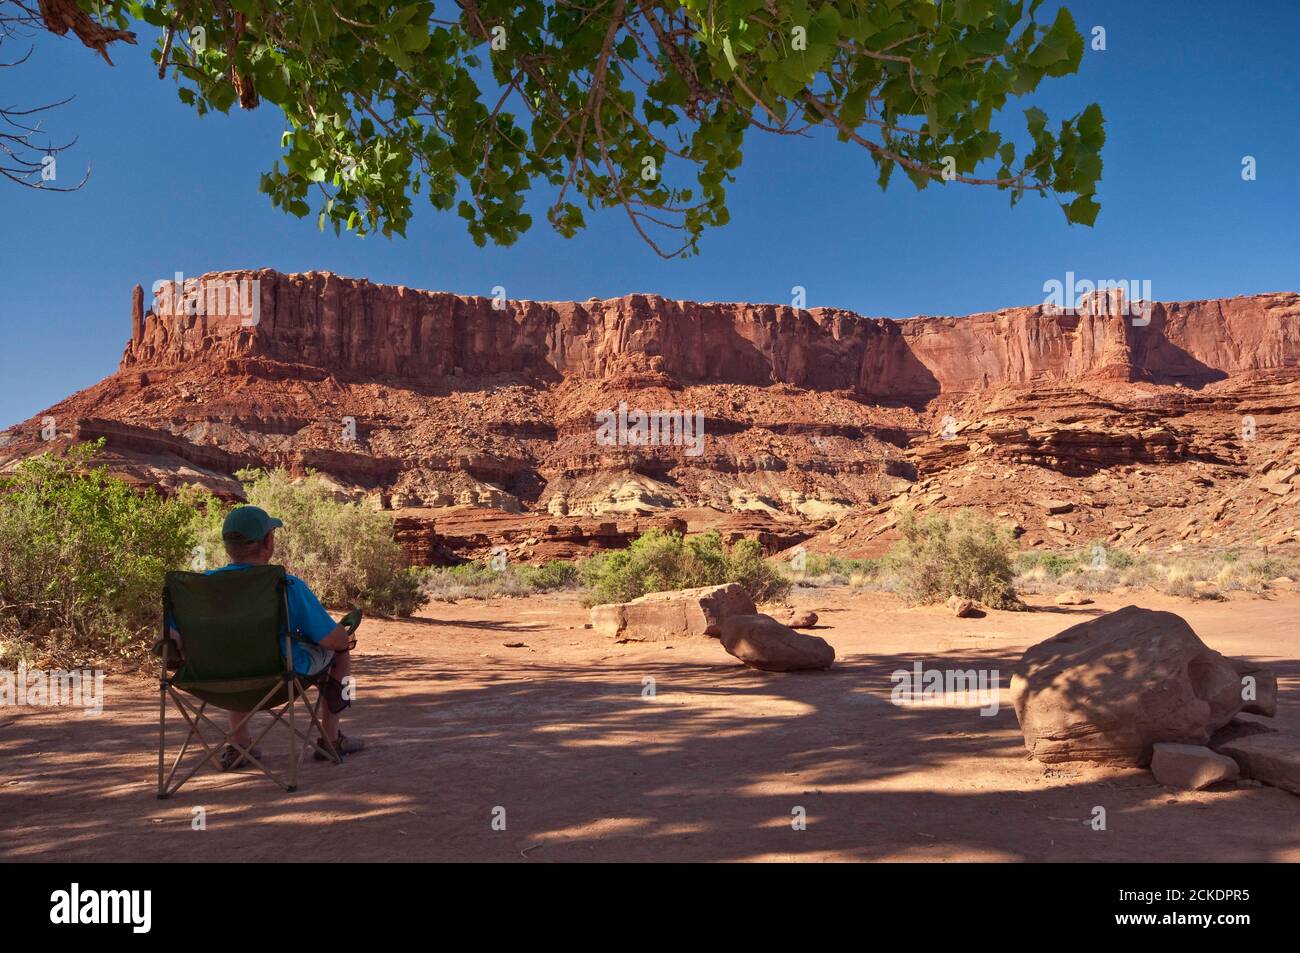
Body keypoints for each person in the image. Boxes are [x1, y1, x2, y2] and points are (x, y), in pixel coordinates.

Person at [172, 505, 365, 769]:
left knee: (235, 650)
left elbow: (168, 640)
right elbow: (333, 641)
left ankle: (240, 744)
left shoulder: (198, 590)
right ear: (267, 542)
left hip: (211, 681)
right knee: (340, 649)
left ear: (227, 545)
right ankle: (330, 739)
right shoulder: (286, 585)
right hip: (278, 678)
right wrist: (344, 631)